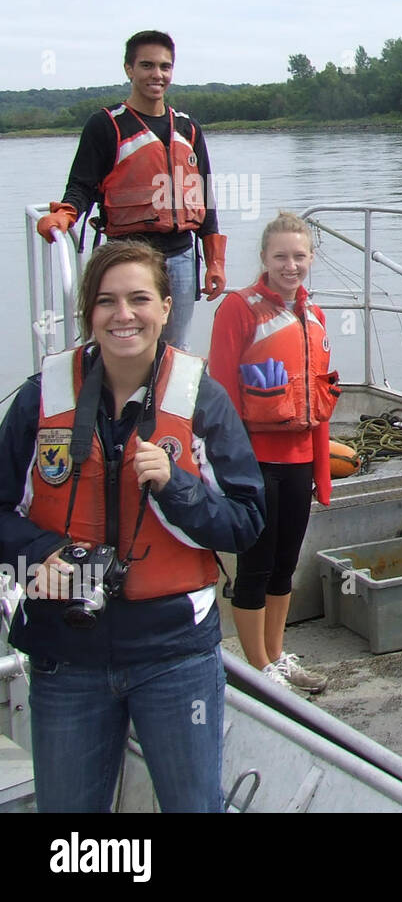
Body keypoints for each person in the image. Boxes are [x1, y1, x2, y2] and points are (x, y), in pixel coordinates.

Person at [0, 241, 263, 812]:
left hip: (175, 656)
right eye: (107, 302)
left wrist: (177, 485)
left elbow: (246, 520)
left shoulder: (202, 401)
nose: (124, 315)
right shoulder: (37, 401)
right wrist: (40, 552)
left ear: (167, 307)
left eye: (140, 298)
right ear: (88, 314)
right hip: (64, 654)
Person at [208, 213, 338, 693]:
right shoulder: (238, 310)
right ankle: (257, 666)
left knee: (285, 564)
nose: (291, 265)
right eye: (281, 256)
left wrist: (321, 475)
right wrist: (227, 470)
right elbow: (220, 394)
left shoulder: (316, 315)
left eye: (299, 256)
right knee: (256, 566)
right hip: (254, 466)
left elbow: (321, 401)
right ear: (263, 258)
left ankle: (277, 655)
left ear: (311, 259)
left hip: (299, 461)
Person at [35, 30, 227, 351]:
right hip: (126, 256)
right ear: (129, 69)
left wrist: (215, 261)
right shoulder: (106, 125)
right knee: (126, 346)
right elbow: (81, 185)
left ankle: (163, 403)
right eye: (147, 66)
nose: (157, 75)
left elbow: (204, 197)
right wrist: (65, 215)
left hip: (180, 258)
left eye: (165, 67)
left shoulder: (188, 128)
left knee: (173, 351)